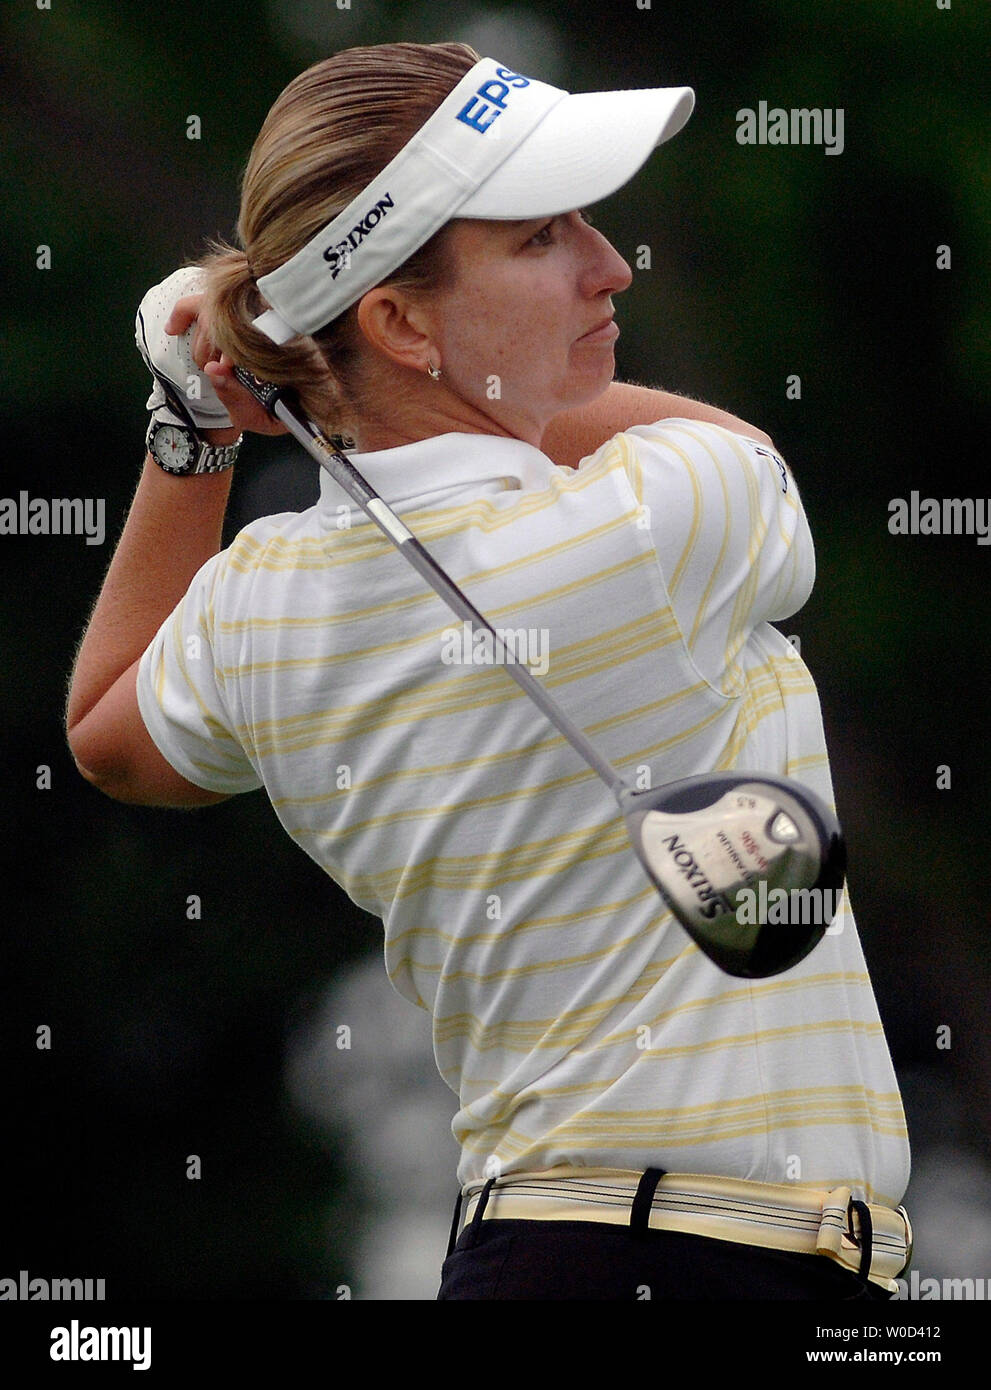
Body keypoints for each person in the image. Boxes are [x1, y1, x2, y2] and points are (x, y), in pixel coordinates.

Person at [65, 41, 910, 1300]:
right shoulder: (665, 516)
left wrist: (197, 417)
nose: (607, 265)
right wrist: (301, 359)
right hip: (721, 1268)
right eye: (539, 240)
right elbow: (737, 446)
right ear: (399, 321)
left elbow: (106, 734)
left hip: (524, 1251)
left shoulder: (258, 604)